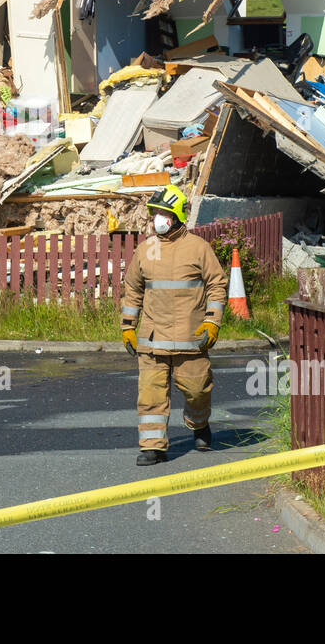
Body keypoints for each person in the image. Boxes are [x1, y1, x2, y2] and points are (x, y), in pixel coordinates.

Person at [119, 184, 228, 466]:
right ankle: (152, 446)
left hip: (191, 340)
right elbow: (132, 290)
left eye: (163, 213)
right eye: (154, 213)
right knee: (150, 395)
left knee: (198, 390)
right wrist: (128, 327)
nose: (157, 219)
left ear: (177, 215)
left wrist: (212, 323)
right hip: (152, 340)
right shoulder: (145, 250)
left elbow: (217, 285)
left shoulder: (198, 248)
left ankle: (198, 424)